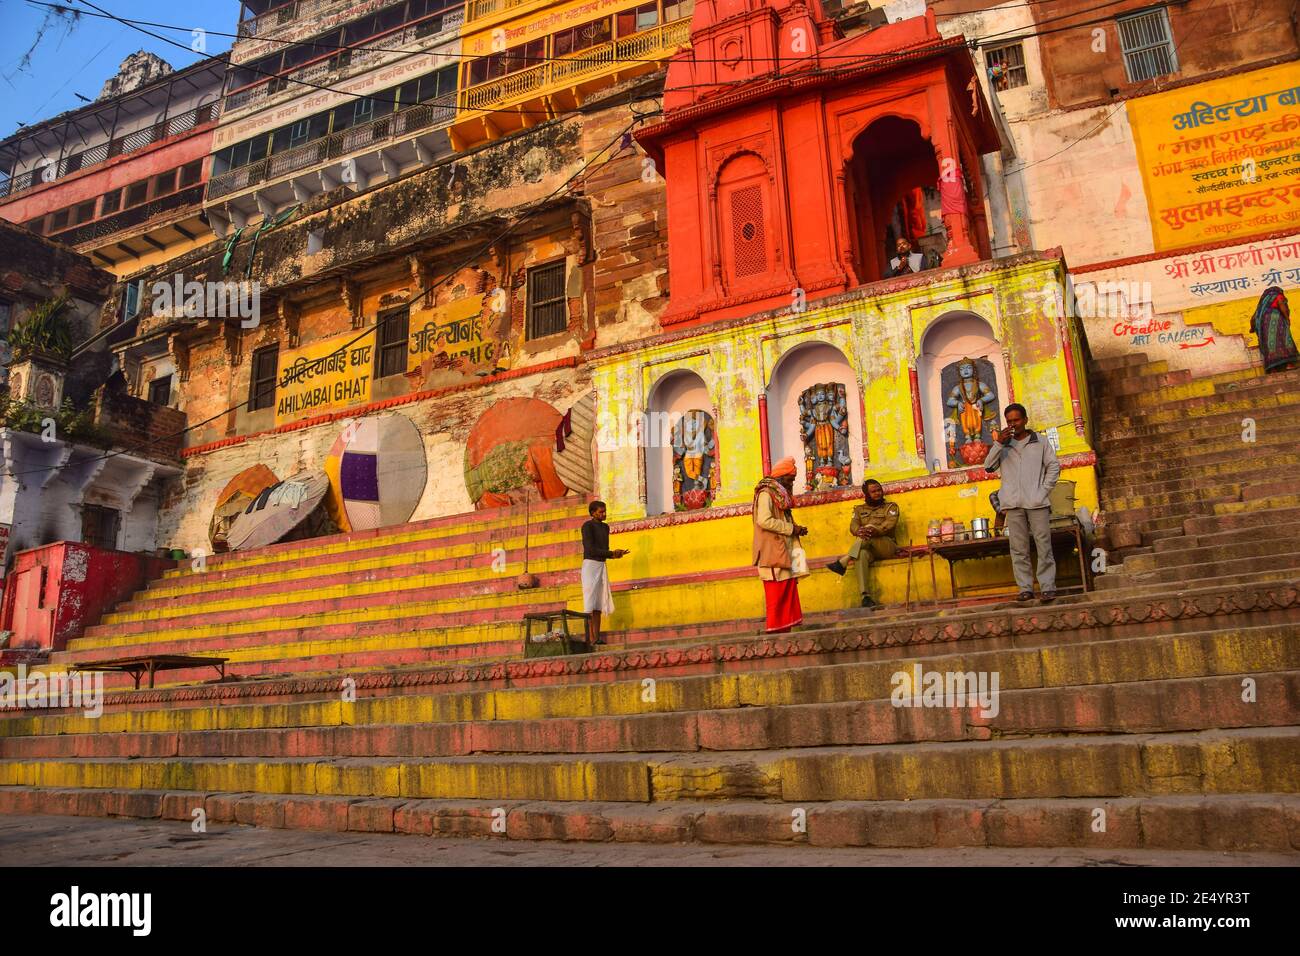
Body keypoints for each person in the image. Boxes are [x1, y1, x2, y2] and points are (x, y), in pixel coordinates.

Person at [983, 403, 1061, 603]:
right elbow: (988, 467)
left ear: (1025, 420)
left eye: (1016, 420)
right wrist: (999, 443)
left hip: (1037, 503)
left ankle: (1048, 587)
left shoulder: (1040, 442)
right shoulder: (1003, 445)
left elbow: (1053, 467)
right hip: (1013, 504)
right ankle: (1025, 588)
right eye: (1009, 421)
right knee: (1018, 549)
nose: (1013, 424)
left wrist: (1043, 491)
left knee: (1044, 546)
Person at [752, 457, 809, 633]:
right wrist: (791, 528)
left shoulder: (778, 494)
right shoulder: (766, 494)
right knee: (777, 592)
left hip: (784, 549)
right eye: (790, 479)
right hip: (773, 551)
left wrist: (795, 530)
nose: (791, 483)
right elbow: (764, 520)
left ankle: (785, 631)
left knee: (788, 588)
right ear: (781, 477)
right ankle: (776, 633)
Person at [826, 479, 900, 608]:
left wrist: (874, 529)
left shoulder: (891, 507)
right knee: (861, 555)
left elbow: (889, 524)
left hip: (887, 546)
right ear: (866, 494)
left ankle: (844, 561)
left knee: (869, 530)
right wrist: (859, 530)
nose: (877, 493)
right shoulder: (859, 510)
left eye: (879, 490)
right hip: (868, 548)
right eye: (873, 491)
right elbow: (853, 526)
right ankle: (865, 596)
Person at [580, 500, 628, 644]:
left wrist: (615, 554)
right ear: (592, 513)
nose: (604, 514)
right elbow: (590, 549)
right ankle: (591, 638)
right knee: (589, 604)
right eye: (601, 512)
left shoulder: (606, 527)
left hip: (601, 565)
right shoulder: (587, 526)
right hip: (590, 566)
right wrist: (611, 553)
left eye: (605, 511)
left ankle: (597, 637)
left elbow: (604, 550)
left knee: (598, 604)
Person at [1250, 286, 1298, 372]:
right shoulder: (1277, 295)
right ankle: (1289, 364)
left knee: (1269, 344)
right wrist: (1287, 318)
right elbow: (1281, 305)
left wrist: (1252, 328)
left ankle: (1273, 369)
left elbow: (1253, 318)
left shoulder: (1262, 304)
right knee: (1284, 340)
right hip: (1276, 320)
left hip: (1263, 325)